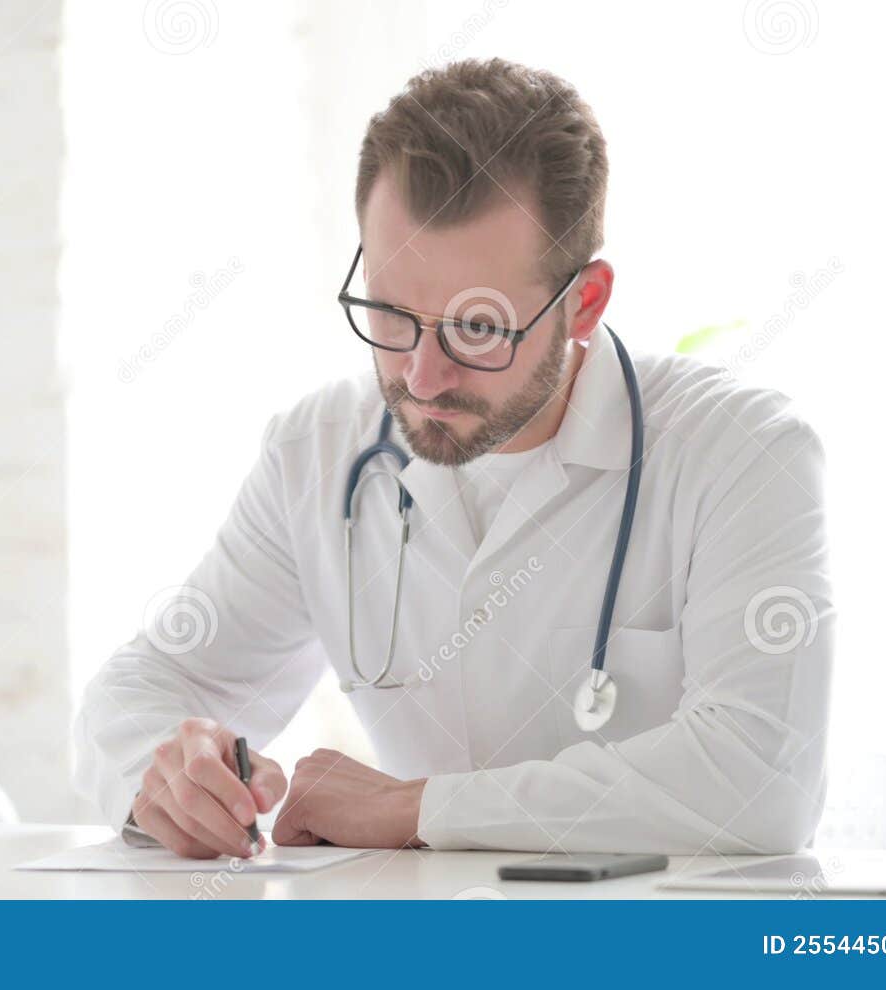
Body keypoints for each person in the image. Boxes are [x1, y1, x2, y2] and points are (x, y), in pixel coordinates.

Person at [73, 58, 833, 859]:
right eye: (392, 314)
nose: (422, 377)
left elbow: (760, 785)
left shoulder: (741, 452)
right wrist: (169, 774)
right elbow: (142, 690)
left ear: (585, 300)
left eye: (477, 328)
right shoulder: (318, 452)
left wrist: (418, 809)